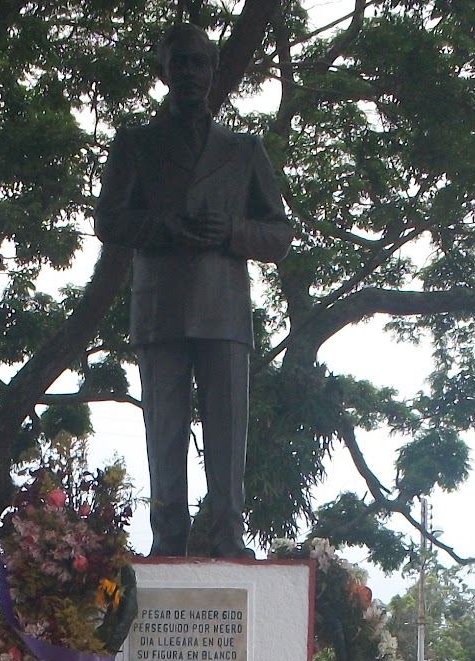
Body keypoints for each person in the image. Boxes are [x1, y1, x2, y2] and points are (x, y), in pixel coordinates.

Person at [94, 23, 292, 558]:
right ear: (162, 72)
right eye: (178, 63)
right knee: (165, 432)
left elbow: (279, 234)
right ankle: (169, 540)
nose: (189, 74)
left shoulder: (243, 150)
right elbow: (108, 220)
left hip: (224, 309)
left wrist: (230, 231)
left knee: (228, 435)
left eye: (198, 63)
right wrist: (162, 227)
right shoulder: (135, 144)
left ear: (212, 72)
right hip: (160, 309)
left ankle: (229, 537)